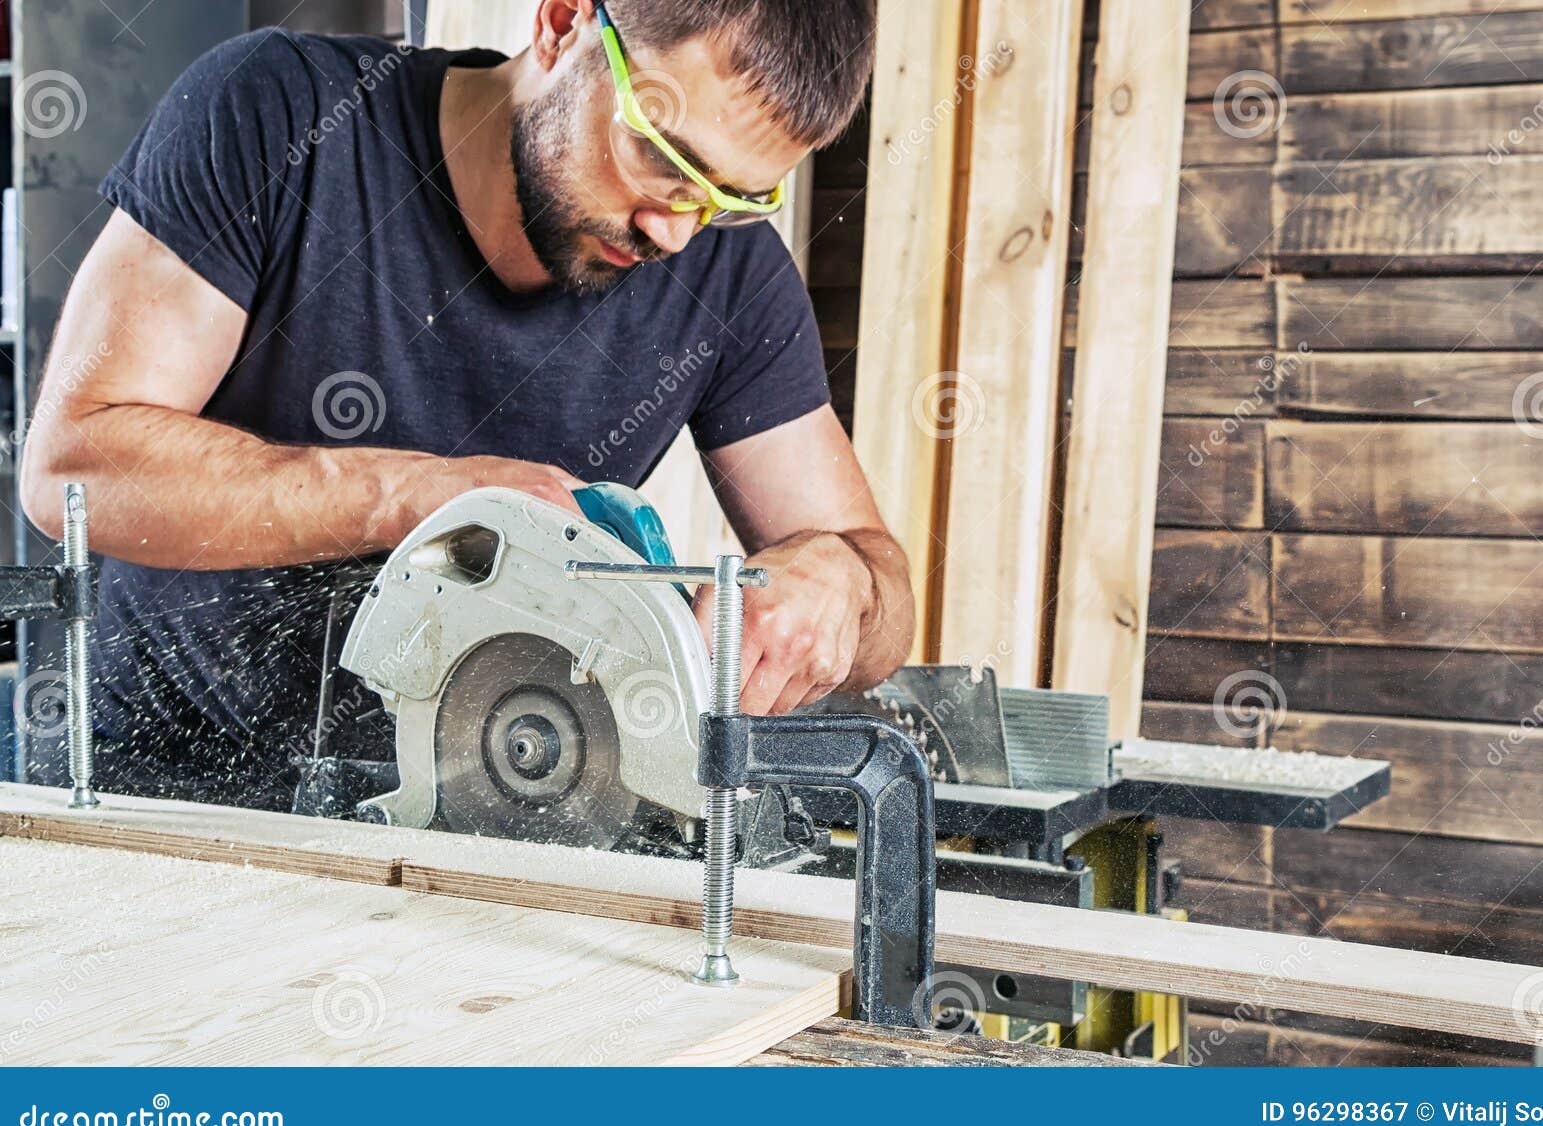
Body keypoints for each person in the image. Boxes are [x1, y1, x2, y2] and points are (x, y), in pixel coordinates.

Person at [19, 0, 912, 810]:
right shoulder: (277, 114)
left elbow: (885, 591)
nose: (674, 229)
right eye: (659, 155)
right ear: (562, 24)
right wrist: (421, 501)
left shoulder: (730, 271)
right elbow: (73, 468)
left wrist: (837, 581)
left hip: (477, 818)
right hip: (146, 790)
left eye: (730, 197)